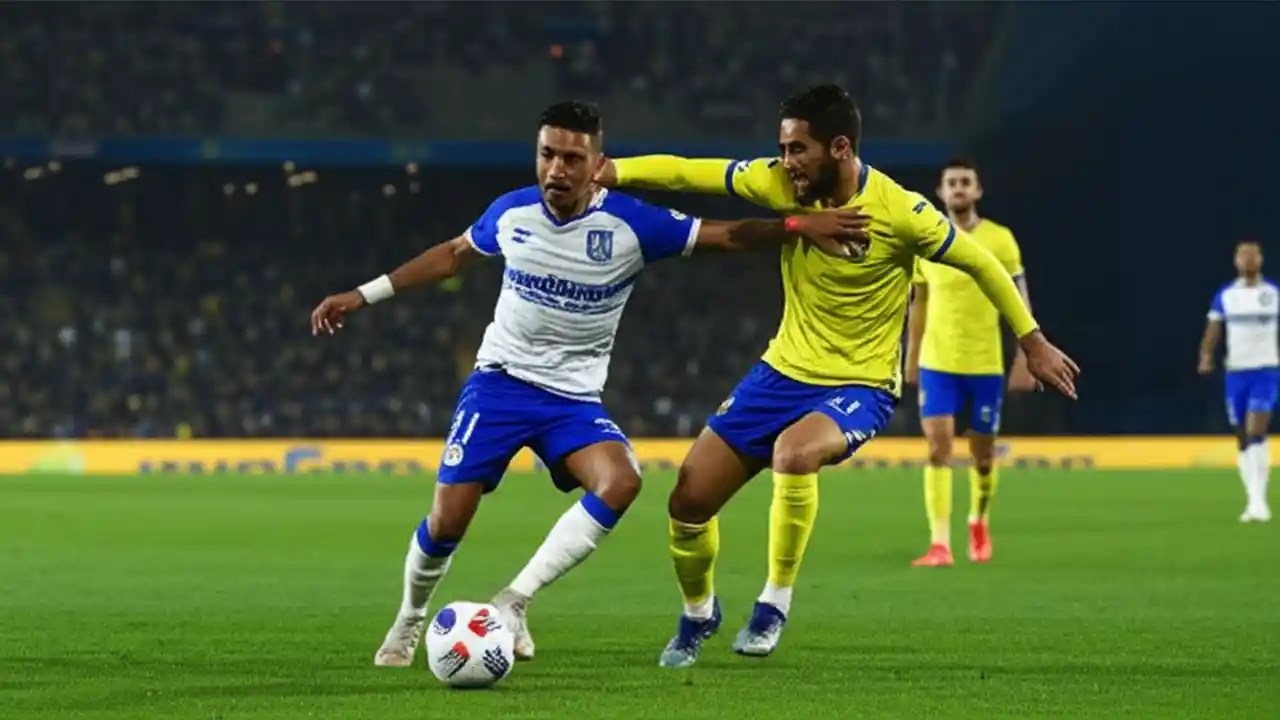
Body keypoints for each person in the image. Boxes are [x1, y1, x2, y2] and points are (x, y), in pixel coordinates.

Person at [309, 101, 871, 667]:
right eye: (548, 155)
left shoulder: (632, 224)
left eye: (572, 158)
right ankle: (408, 620)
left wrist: (799, 224)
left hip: (572, 400)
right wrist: (362, 294)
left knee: (621, 481)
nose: (557, 169)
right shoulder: (511, 213)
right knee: (447, 520)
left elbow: (728, 236)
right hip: (500, 384)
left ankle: (514, 601)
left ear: (597, 163)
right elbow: (454, 256)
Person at [595, 84, 1079, 668]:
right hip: (780, 371)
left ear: (841, 148)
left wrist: (1031, 340)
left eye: (798, 149)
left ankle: (773, 602)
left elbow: (981, 262)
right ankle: (698, 613)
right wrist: (614, 171)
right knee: (687, 503)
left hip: (859, 384)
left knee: (794, 454)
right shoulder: (780, 183)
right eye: (783, 147)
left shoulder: (902, 211)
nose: (786, 161)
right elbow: (688, 172)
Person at [904, 158, 1036, 567]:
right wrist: (910, 357)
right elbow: (919, 302)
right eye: (951, 183)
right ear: (941, 193)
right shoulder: (927, 239)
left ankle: (978, 521)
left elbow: (1018, 299)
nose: (958, 189)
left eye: (965, 182)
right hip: (938, 360)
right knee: (938, 449)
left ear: (977, 191)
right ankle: (940, 543)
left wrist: (1026, 356)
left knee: (982, 455)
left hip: (984, 362)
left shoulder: (1001, 240)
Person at [1199, 241, 1275, 523]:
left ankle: (1259, 501)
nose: (1247, 259)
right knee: (1242, 435)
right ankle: (1252, 497)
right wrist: (1206, 355)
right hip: (1236, 372)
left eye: (1252, 254)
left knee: (1257, 429)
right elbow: (1213, 328)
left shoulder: (1273, 294)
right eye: (1242, 255)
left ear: (1261, 259)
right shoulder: (1227, 295)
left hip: (1265, 371)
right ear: (1235, 261)